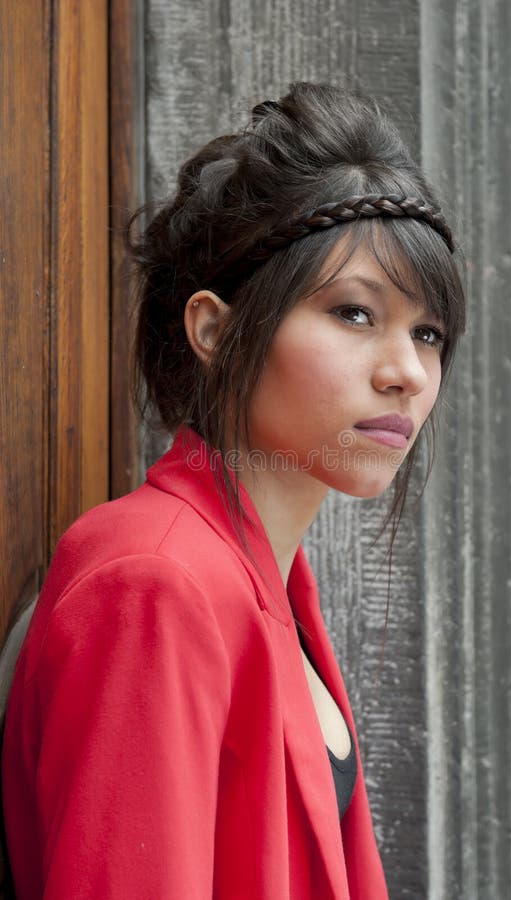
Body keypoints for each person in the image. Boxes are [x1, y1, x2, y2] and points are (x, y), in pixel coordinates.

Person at [2, 82, 465, 898]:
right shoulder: (155, 580)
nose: (406, 372)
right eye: (355, 314)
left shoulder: (267, 588)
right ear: (214, 329)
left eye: (427, 333)